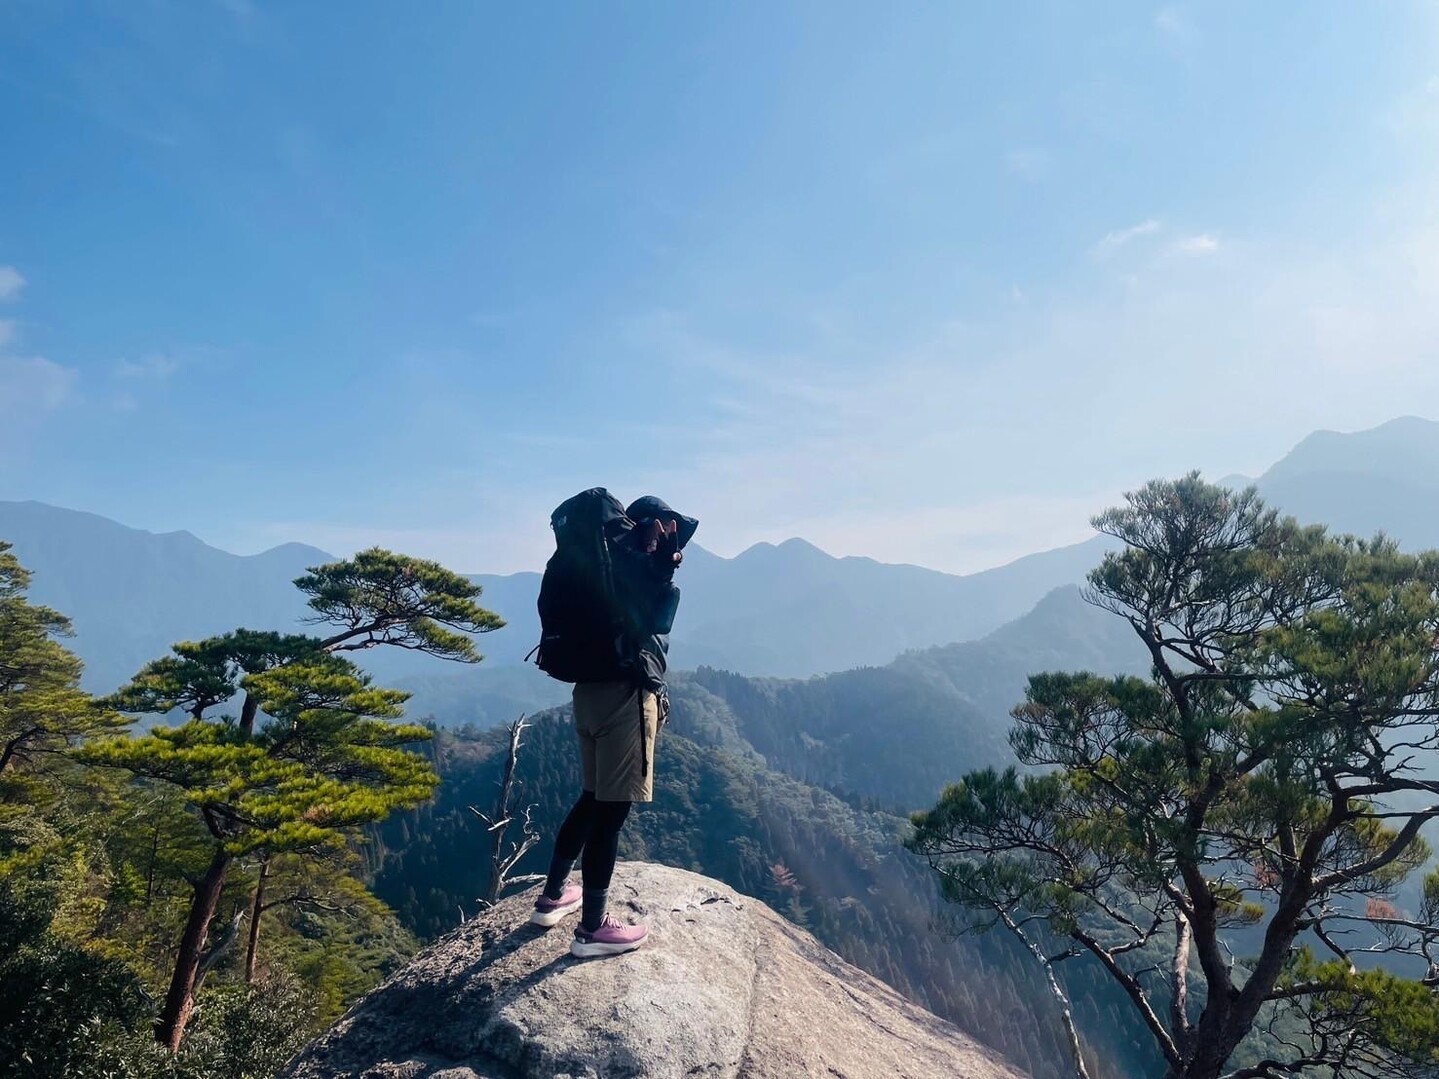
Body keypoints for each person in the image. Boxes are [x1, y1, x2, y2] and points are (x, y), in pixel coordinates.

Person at [530, 495, 698, 958]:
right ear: (647, 525)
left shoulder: (593, 562)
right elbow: (654, 619)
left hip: (587, 693)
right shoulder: (632, 561)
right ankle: (593, 929)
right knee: (611, 811)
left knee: (591, 799)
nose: (670, 537)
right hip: (625, 695)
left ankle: (552, 897)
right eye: (666, 528)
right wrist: (662, 568)